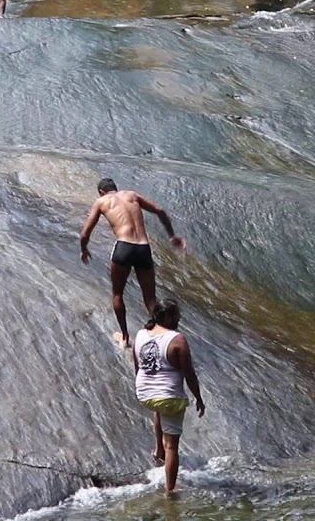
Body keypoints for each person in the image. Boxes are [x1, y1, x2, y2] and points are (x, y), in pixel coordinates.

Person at [79, 178, 186, 347]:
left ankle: (125, 337)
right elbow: (160, 211)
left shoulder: (101, 201)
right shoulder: (132, 195)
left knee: (117, 294)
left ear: (101, 192)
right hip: (144, 249)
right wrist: (172, 236)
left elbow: (85, 233)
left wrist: (84, 249)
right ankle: (162, 336)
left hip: (124, 248)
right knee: (151, 299)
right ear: (116, 188)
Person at [134, 299, 205, 497]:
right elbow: (189, 374)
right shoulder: (177, 340)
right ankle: (170, 491)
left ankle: (158, 450)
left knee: (160, 406)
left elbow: (137, 366)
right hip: (169, 397)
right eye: (177, 316)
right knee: (172, 445)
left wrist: (146, 386)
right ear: (169, 317)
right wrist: (198, 398)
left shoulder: (140, 335)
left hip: (144, 394)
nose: (179, 319)